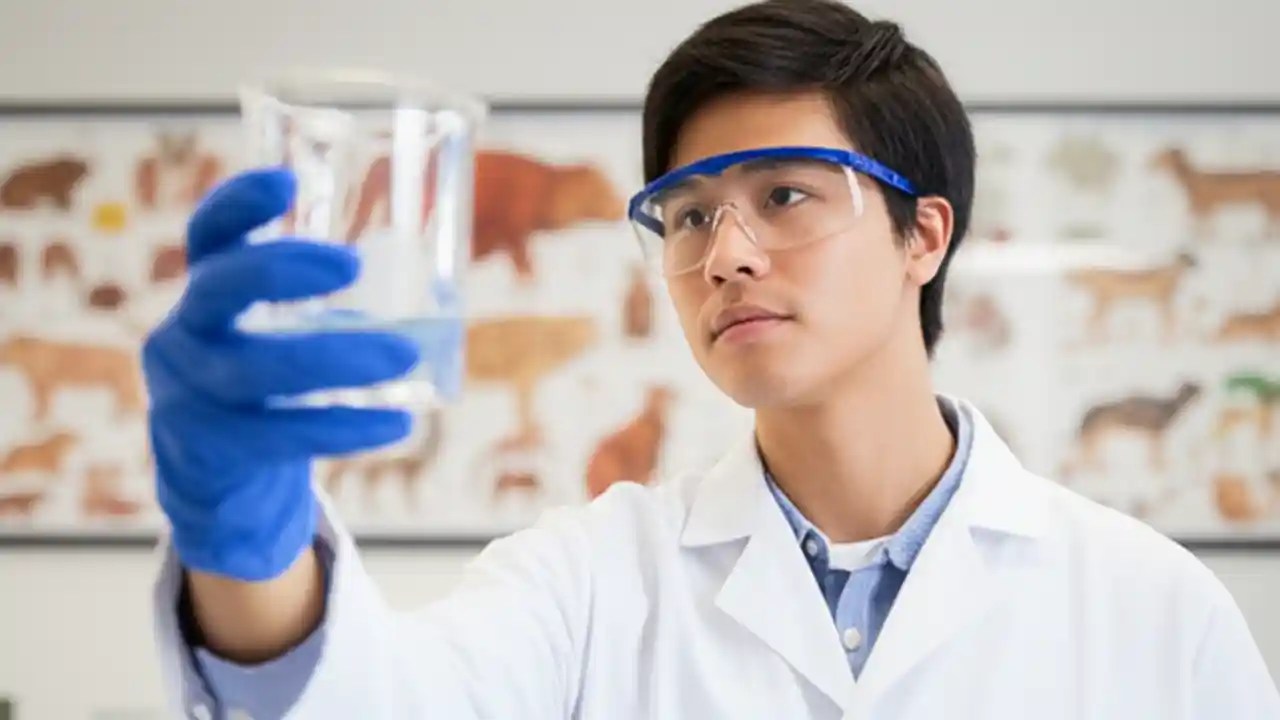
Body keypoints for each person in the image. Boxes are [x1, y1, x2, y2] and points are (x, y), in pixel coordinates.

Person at [146, 1, 1279, 717]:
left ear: (921, 236)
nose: (723, 254)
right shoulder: (590, 580)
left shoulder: (1146, 605)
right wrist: (247, 540)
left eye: (782, 195)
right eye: (687, 216)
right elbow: (370, 705)